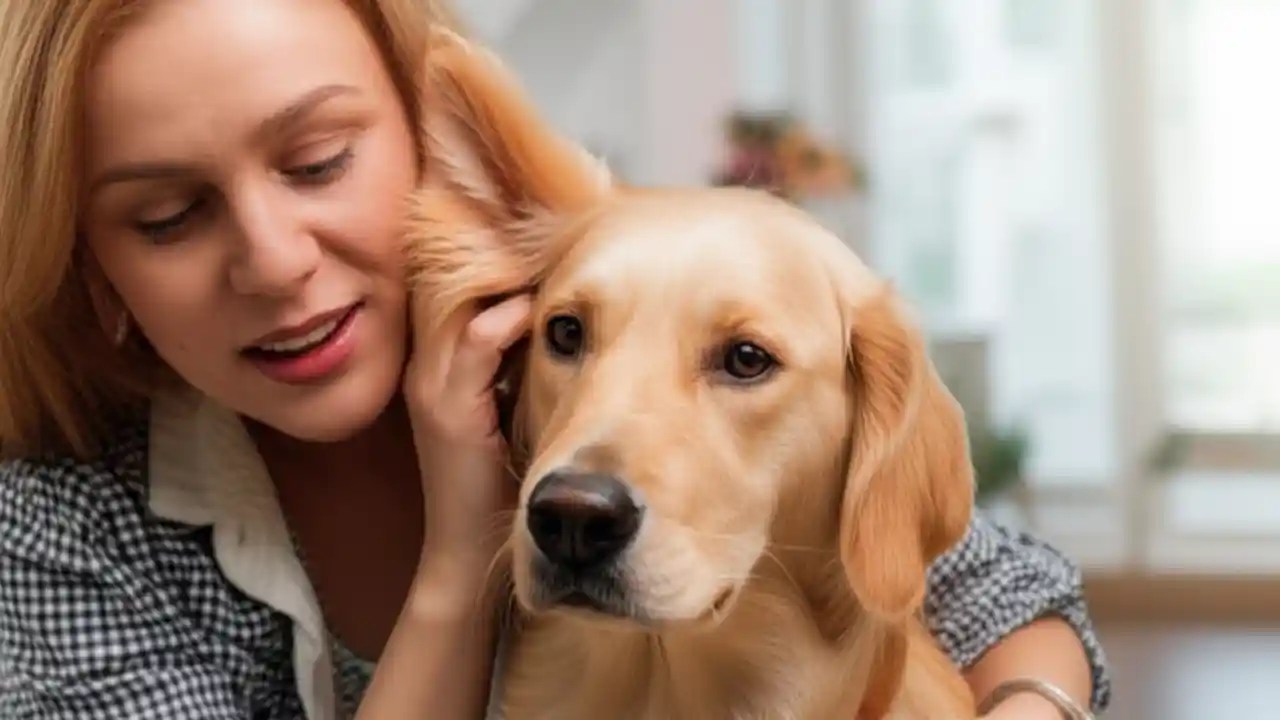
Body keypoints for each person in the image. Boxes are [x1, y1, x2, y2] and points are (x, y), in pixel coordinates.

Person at [0, 1, 1110, 719]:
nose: (276, 262)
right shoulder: (60, 534)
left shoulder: (565, 305)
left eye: (318, 161)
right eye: (167, 217)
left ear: (441, 155)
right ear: (97, 270)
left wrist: (1028, 707)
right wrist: (455, 560)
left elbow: (975, 572)